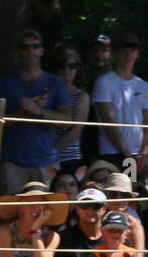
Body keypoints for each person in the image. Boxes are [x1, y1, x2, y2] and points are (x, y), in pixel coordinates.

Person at [0, 31, 71, 195]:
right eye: (25, 47)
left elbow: (68, 121)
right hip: (12, 161)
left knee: (47, 216)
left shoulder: (55, 83)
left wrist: (39, 111)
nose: (30, 51)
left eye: (35, 46)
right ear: (18, 52)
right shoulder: (6, 83)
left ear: (42, 50)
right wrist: (24, 112)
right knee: (10, 212)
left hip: (46, 161)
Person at [91, 33, 148, 177]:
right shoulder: (103, 82)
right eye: (123, 49)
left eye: (132, 50)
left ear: (137, 53)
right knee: (111, 195)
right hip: (111, 153)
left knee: (132, 195)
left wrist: (145, 151)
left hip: (136, 155)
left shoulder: (144, 86)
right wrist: (125, 152)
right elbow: (108, 121)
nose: (128, 54)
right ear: (115, 53)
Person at [51, 44, 89, 176]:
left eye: (72, 66)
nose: (67, 70)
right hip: (43, 159)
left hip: (69, 160)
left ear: (78, 68)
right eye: (62, 66)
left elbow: (75, 132)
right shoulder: (47, 93)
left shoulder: (81, 96)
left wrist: (49, 150)